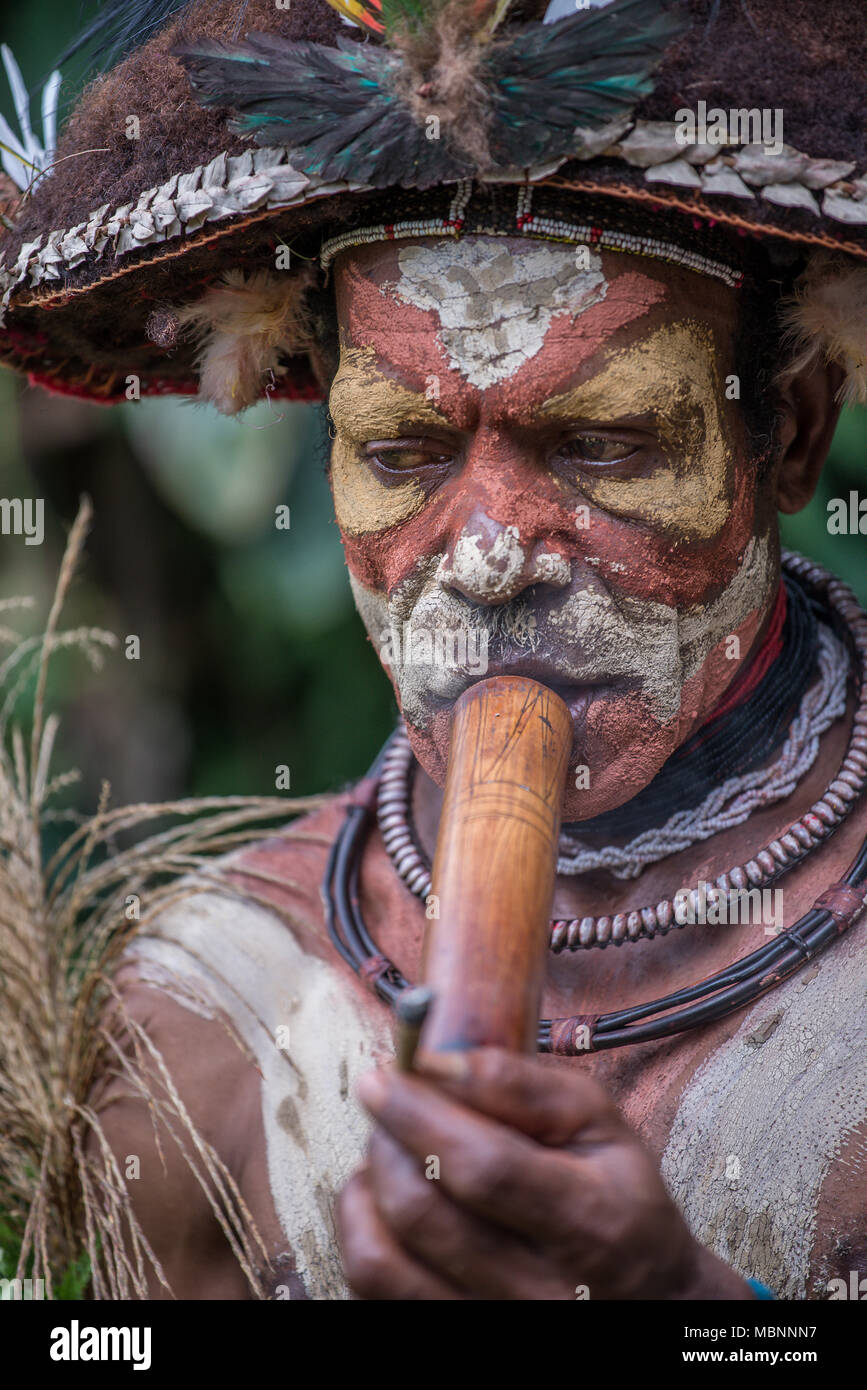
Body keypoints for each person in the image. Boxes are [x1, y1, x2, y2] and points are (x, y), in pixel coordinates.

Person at [0, 0, 865, 1301]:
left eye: (600, 442)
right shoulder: (200, 1020)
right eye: (403, 454)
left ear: (790, 434)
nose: (487, 556)